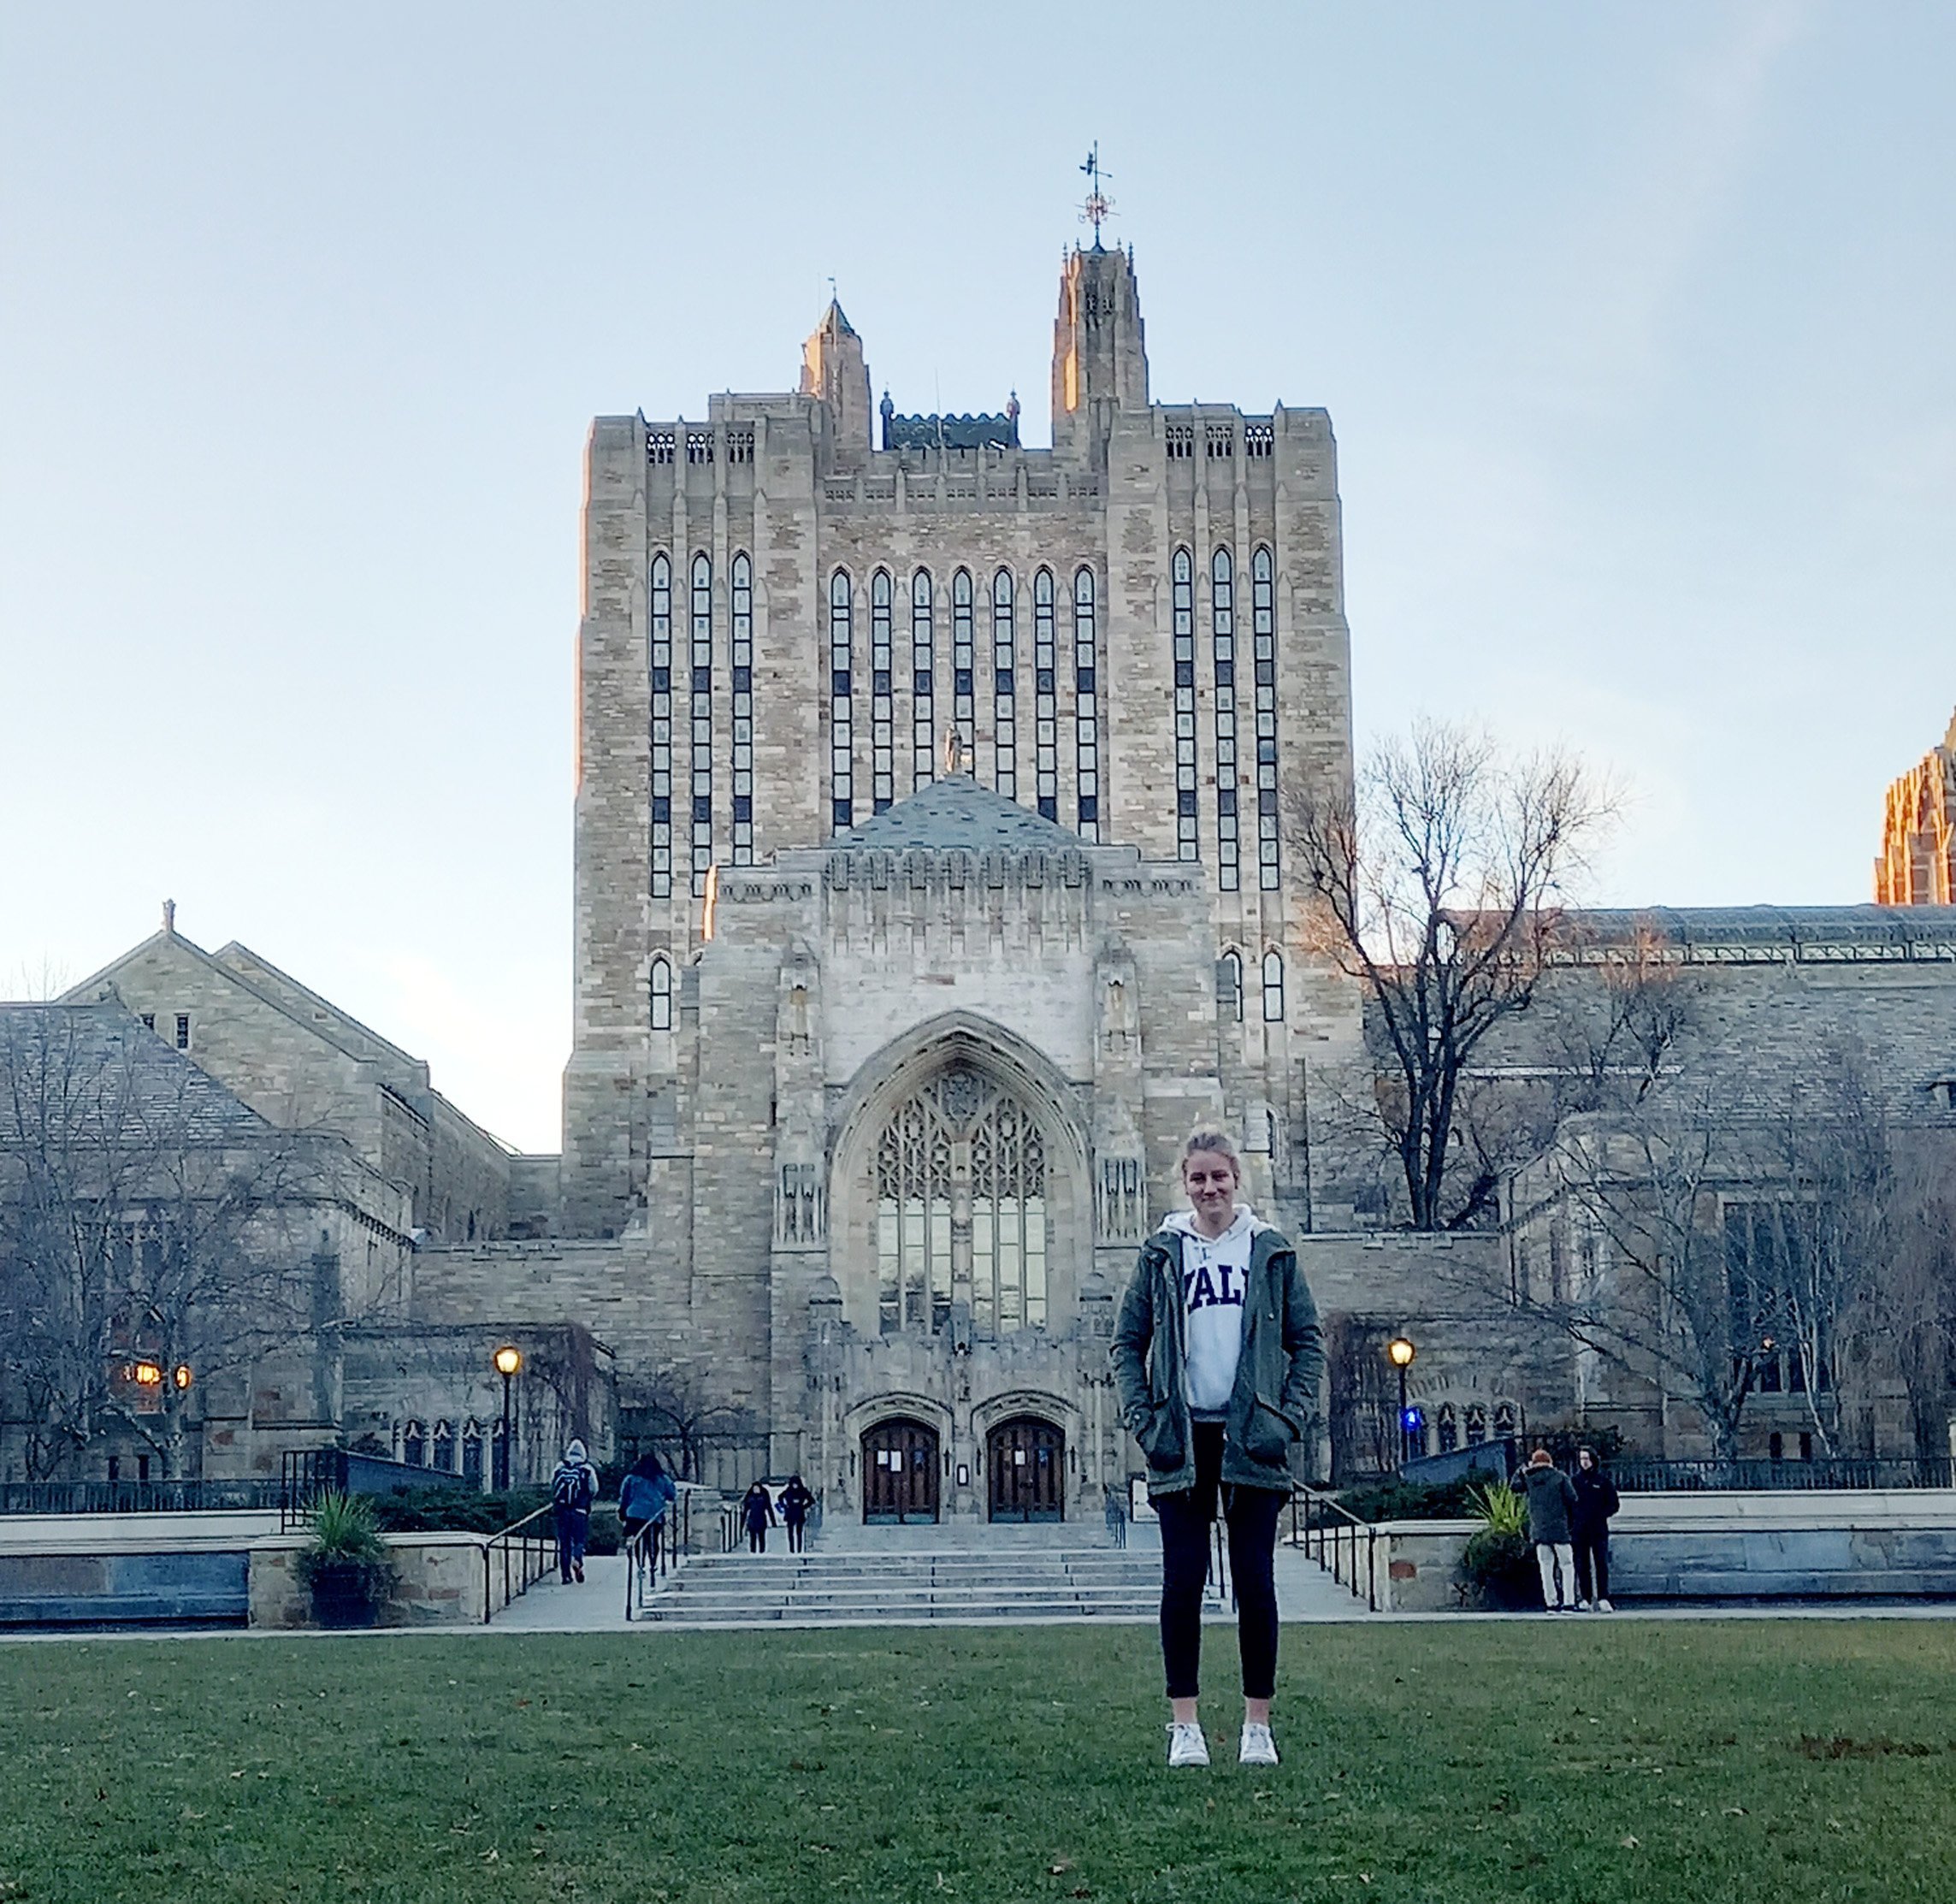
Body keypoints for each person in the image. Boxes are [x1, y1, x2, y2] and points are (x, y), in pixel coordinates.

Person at [1112, 1129, 1321, 1771]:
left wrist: (1285, 1419)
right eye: (1198, 1178)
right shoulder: (1160, 1254)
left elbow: (1306, 1341)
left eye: (1219, 1178)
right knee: (1183, 1582)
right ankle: (1186, 1725)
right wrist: (1142, 1419)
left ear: (1236, 1181)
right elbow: (1128, 1341)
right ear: (1184, 1182)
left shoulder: (1271, 1251)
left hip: (1251, 1437)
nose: (1209, 1189)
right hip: (1181, 1437)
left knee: (1255, 1583)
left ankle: (1256, 1724)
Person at [1519, 1446, 1578, 1611]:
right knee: (1567, 1566)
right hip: (1559, 1528)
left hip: (1539, 1529)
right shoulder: (1560, 1477)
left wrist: (1523, 1470)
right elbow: (1573, 1499)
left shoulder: (1530, 1480)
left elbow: (1514, 1487)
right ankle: (1569, 1601)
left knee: (1546, 1567)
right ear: (1549, 1462)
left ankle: (1551, 1602)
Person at [1570, 1445, 1620, 1612]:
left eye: (1586, 1458)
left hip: (1598, 1528)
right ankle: (1585, 1597)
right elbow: (1570, 1504)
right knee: (1582, 1564)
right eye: (1581, 1459)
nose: (1584, 1462)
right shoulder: (1574, 1482)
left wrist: (1601, 1514)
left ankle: (1603, 1597)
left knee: (1601, 1563)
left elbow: (1614, 1504)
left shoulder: (1603, 1481)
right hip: (1580, 1529)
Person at [549, 1438, 599, 1584]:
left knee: (564, 1542)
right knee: (579, 1539)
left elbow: (552, 1484)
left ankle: (565, 1575)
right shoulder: (587, 1468)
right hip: (580, 1510)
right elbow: (594, 1489)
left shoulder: (560, 1467)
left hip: (563, 1510)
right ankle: (577, 1559)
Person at [618, 1450, 677, 1550]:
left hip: (634, 1513)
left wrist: (622, 1510)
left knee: (636, 1538)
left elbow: (625, 1496)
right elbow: (672, 1494)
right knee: (653, 1539)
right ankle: (653, 1561)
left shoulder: (631, 1478)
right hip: (655, 1514)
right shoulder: (663, 1478)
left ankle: (638, 1559)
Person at [777, 1474, 816, 1553]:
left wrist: (804, 1506)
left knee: (799, 1533)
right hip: (790, 1513)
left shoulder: (803, 1491)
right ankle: (791, 1549)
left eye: (796, 1484)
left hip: (799, 1513)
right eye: (793, 1484)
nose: (795, 1486)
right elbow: (780, 1497)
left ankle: (799, 1549)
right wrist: (784, 1506)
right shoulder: (788, 1491)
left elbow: (811, 1500)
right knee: (790, 1532)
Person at [741, 1479, 776, 1555]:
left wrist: (773, 1521)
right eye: (754, 1489)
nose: (756, 1490)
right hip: (752, 1519)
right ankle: (753, 1552)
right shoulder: (750, 1498)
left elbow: (769, 1508)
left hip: (761, 1519)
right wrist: (742, 1523)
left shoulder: (763, 1497)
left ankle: (761, 1552)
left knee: (761, 1537)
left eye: (757, 1488)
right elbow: (745, 1511)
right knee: (752, 1538)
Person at [1104, 1481, 1129, 1551]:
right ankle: (1121, 1543)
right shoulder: (1116, 1496)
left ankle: (1121, 1542)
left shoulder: (1114, 1497)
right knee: (1121, 1527)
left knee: (1120, 1527)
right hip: (1119, 1513)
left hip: (1118, 1513)